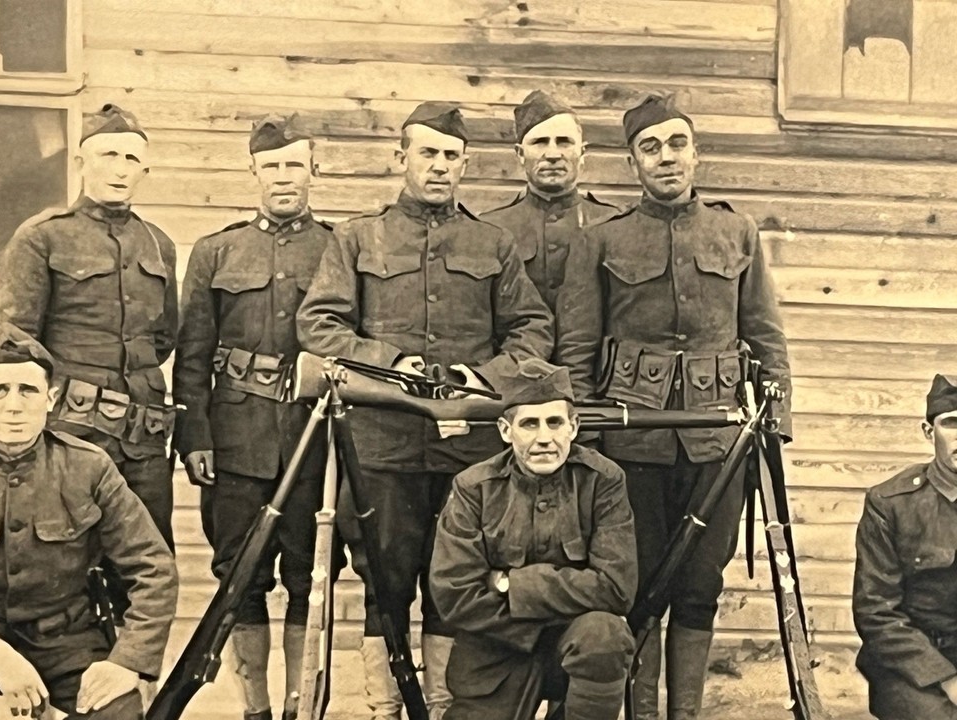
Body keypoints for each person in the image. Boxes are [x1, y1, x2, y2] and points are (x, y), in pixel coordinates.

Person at [296, 101, 553, 720]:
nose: (439, 167)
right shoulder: (358, 237)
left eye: (451, 156)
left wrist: (481, 375)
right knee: (386, 582)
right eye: (427, 153)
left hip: (469, 453)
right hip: (382, 444)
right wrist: (391, 362)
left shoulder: (493, 242)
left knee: (455, 582)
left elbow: (533, 330)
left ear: (465, 163)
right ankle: (386, 710)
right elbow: (319, 323)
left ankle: (440, 709)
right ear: (402, 157)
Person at [556, 92, 792, 719]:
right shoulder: (602, 241)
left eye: (676, 143)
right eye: (650, 147)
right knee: (637, 589)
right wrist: (584, 438)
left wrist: (776, 423)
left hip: (719, 443)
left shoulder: (734, 230)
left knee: (699, 589)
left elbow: (765, 334)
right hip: (632, 445)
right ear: (632, 162)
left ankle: (684, 715)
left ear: (696, 151)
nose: (666, 158)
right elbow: (577, 346)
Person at [173, 114, 339, 720]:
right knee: (239, 577)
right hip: (235, 441)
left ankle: (297, 708)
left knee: (305, 575)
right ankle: (257, 710)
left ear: (313, 171)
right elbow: (192, 352)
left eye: (295, 164)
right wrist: (195, 435)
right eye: (271, 165)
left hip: (312, 437)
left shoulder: (337, 246)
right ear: (253, 172)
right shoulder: (218, 250)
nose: (283, 176)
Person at [0, 104, 178, 590]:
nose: (120, 168)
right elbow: (15, 343)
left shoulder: (159, 244)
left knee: (146, 564)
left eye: (130, 158)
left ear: (144, 169)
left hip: (142, 442)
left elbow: (163, 339)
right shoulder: (43, 236)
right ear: (81, 162)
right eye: (107, 154)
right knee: (65, 565)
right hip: (70, 436)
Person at [429, 358, 637, 720]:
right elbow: (455, 595)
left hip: (573, 649)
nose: (544, 438)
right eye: (529, 424)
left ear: (573, 427)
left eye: (555, 422)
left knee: (604, 635)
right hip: (493, 660)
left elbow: (617, 588)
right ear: (506, 430)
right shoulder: (472, 487)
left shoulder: (603, 480)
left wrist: (510, 584)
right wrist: (561, 600)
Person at [0, 322, 178, 719]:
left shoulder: (88, 467)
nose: (12, 405)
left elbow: (153, 568)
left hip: (68, 647)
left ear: (52, 398)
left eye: (27, 390)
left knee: (117, 710)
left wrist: (127, 662)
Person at [853, 374, 957, 720]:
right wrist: (947, 679)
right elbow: (876, 613)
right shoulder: (890, 503)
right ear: (929, 432)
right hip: (911, 665)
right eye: (952, 423)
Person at [480, 90, 619, 315]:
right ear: (520, 154)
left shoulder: (612, 223)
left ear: (582, 153)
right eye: (540, 142)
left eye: (564, 142)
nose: (553, 154)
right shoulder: (489, 229)